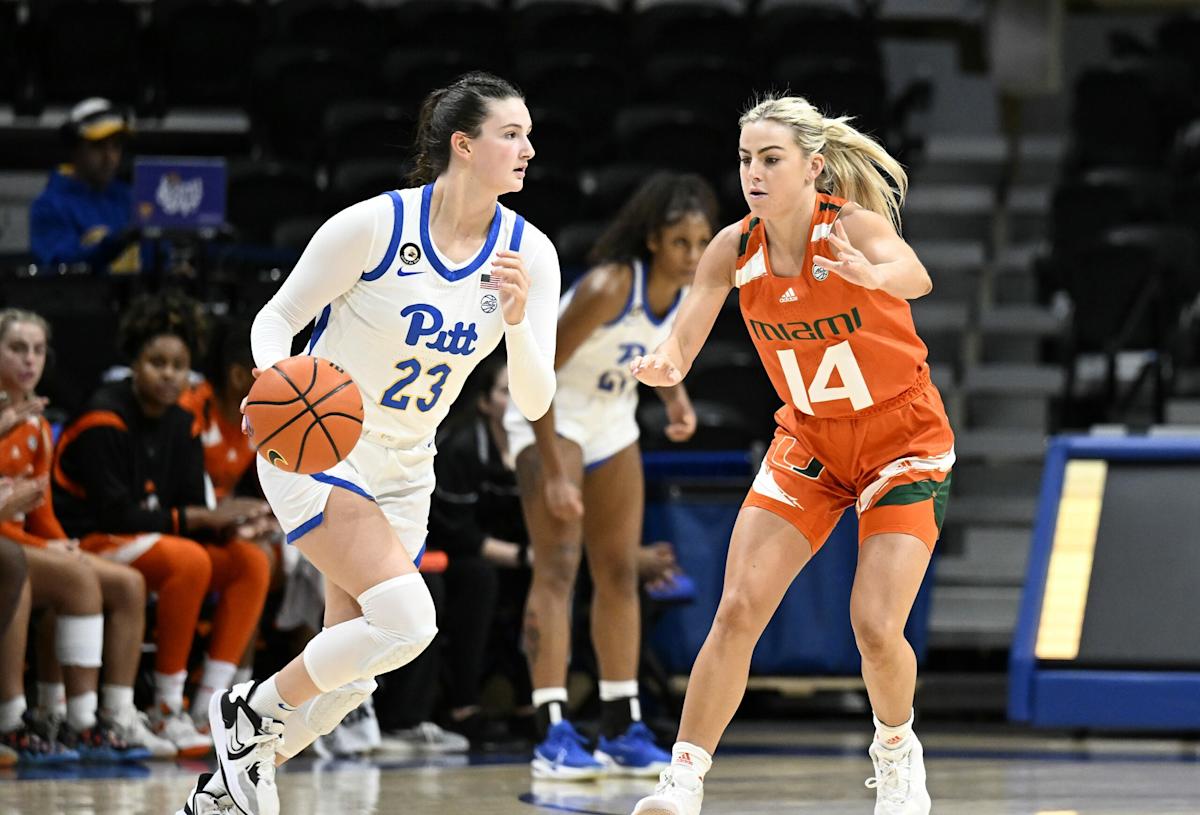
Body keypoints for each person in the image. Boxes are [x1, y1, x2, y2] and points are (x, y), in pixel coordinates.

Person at [176, 71, 558, 815]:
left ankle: (226, 788)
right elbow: (275, 317)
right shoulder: (377, 227)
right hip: (320, 443)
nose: (528, 149)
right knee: (410, 622)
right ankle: (247, 711)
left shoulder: (529, 254)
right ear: (463, 144)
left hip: (409, 462)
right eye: (511, 134)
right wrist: (273, 382)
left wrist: (517, 319)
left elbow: (537, 398)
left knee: (354, 670)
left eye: (528, 134)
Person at [628, 96, 954, 815]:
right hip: (808, 439)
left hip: (901, 439)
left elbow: (914, 273)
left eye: (770, 158)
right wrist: (664, 363)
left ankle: (897, 750)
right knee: (738, 605)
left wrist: (873, 277)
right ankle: (680, 781)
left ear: (812, 168)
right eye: (745, 158)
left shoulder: (852, 227)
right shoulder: (731, 249)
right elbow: (682, 339)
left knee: (874, 623)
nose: (754, 172)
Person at [508, 172, 713, 780]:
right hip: (549, 417)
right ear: (653, 240)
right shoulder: (607, 285)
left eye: (702, 242)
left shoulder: (684, 291)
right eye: (682, 243)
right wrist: (551, 468)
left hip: (612, 422)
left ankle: (621, 725)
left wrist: (675, 400)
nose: (696, 255)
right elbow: (537, 374)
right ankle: (550, 729)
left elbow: (652, 350)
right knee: (559, 567)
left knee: (620, 571)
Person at [52, 293, 273, 758]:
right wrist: (198, 518)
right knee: (188, 559)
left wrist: (234, 525)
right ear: (135, 361)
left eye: (179, 364)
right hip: (86, 540)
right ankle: (166, 708)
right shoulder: (102, 416)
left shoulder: (181, 423)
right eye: (157, 362)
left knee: (249, 561)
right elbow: (116, 514)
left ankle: (211, 705)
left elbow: (191, 504)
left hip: (151, 540)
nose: (169, 374)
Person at [0, 309, 167, 760]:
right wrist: (47, 548)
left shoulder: (36, 423)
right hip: (9, 548)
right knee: (75, 579)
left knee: (127, 584)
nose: (29, 359)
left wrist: (57, 541)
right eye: (17, 348)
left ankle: (108, 715)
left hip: (22, 543)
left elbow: (42, 508)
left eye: (37, 350)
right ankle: (33, 718)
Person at [29, 97, 141, 275]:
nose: (109, 157)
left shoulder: (130, 199)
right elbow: (60, 266)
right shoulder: (50, 206)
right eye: (98, 146)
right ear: (75, 148)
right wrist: (115, 242)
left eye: (116, 146)